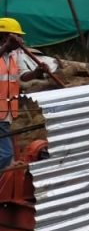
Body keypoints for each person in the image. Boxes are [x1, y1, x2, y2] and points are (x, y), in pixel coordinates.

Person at [0, 18, 46, 170]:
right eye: (14, 36)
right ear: (4, 36)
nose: (18, 40)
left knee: (7, 152)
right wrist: (5, 47)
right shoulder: (6, 50)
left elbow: (23, 76)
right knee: (6, 154)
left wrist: (36, 72)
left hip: (6, 111)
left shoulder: (15, 54)